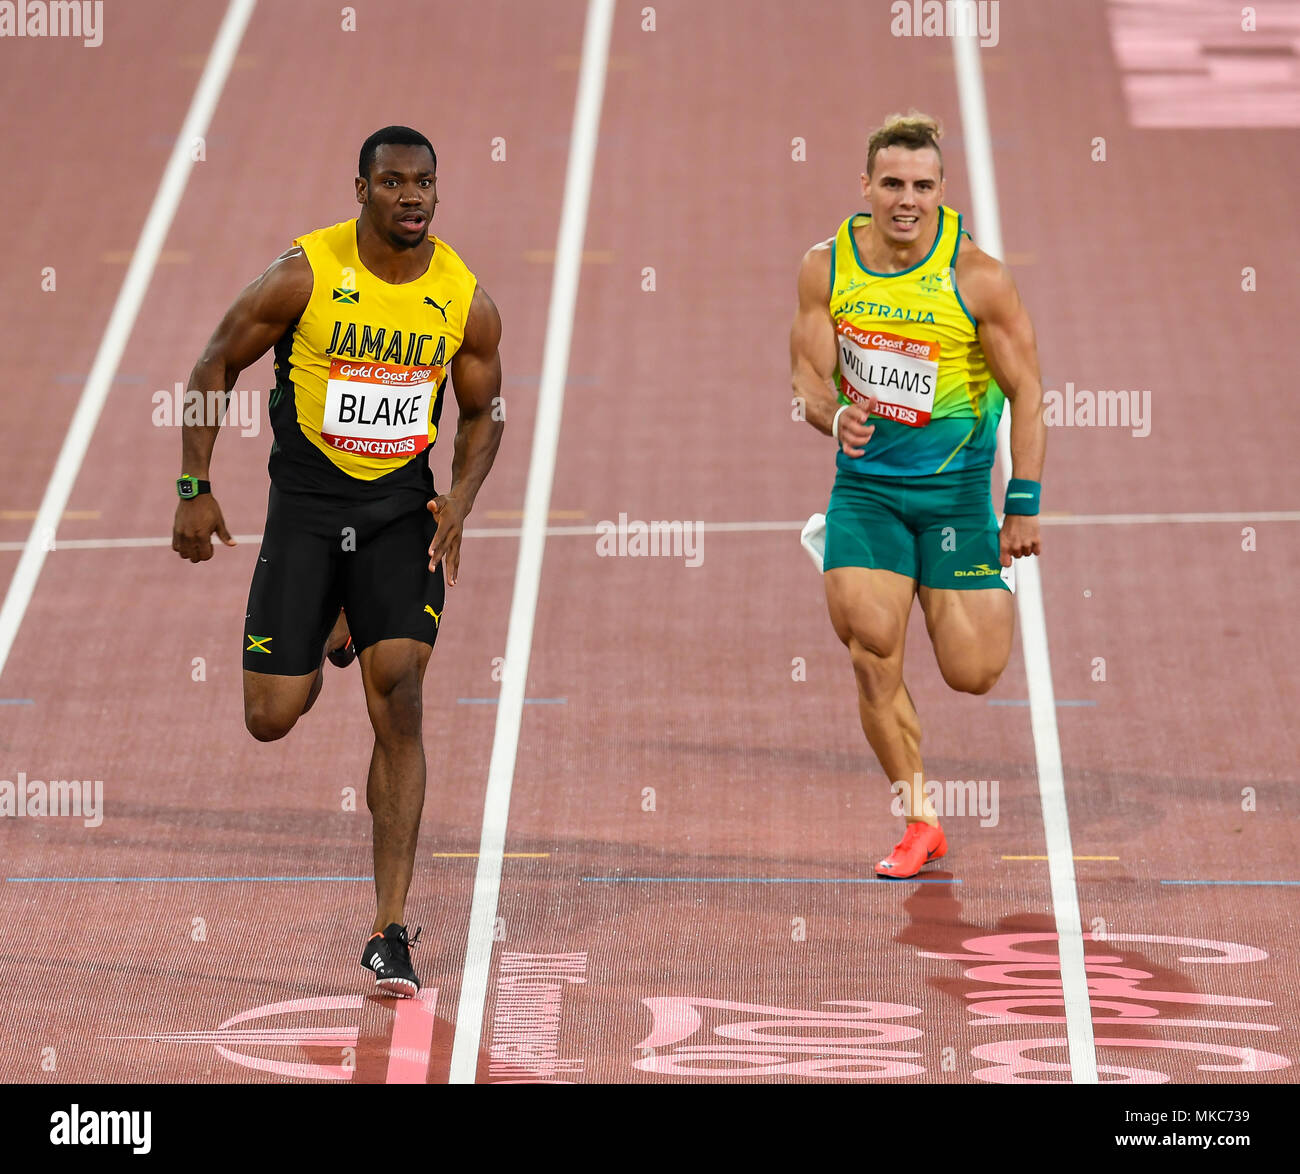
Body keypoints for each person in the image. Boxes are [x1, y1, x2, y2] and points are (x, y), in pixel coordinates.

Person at [171, 125, 504, 992]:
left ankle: (389, 929)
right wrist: (191, 487)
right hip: (309, 516)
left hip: (401, 513)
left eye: (425, 183)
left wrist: (460, 498)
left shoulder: (463, 298)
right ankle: (330, 628)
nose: (413, 198)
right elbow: (213, 363)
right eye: (393, 183)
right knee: (270, 716)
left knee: (400, 696)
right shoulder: (306, 276)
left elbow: (485, 412)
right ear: (360, 189)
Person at [789, 111, 1045, 879]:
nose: (907, 200)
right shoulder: (825, 267)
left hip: (958, 499)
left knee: (973, 672)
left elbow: (1027, 390)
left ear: (942, 189)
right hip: (865, 495)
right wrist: (833, 415)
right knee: (872, 653)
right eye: (892, 184)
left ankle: (952, 587)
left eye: (923, 186)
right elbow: (804, 374)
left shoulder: (977, 277)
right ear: (864, 186)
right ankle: (920, 819)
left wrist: (1022, 502)